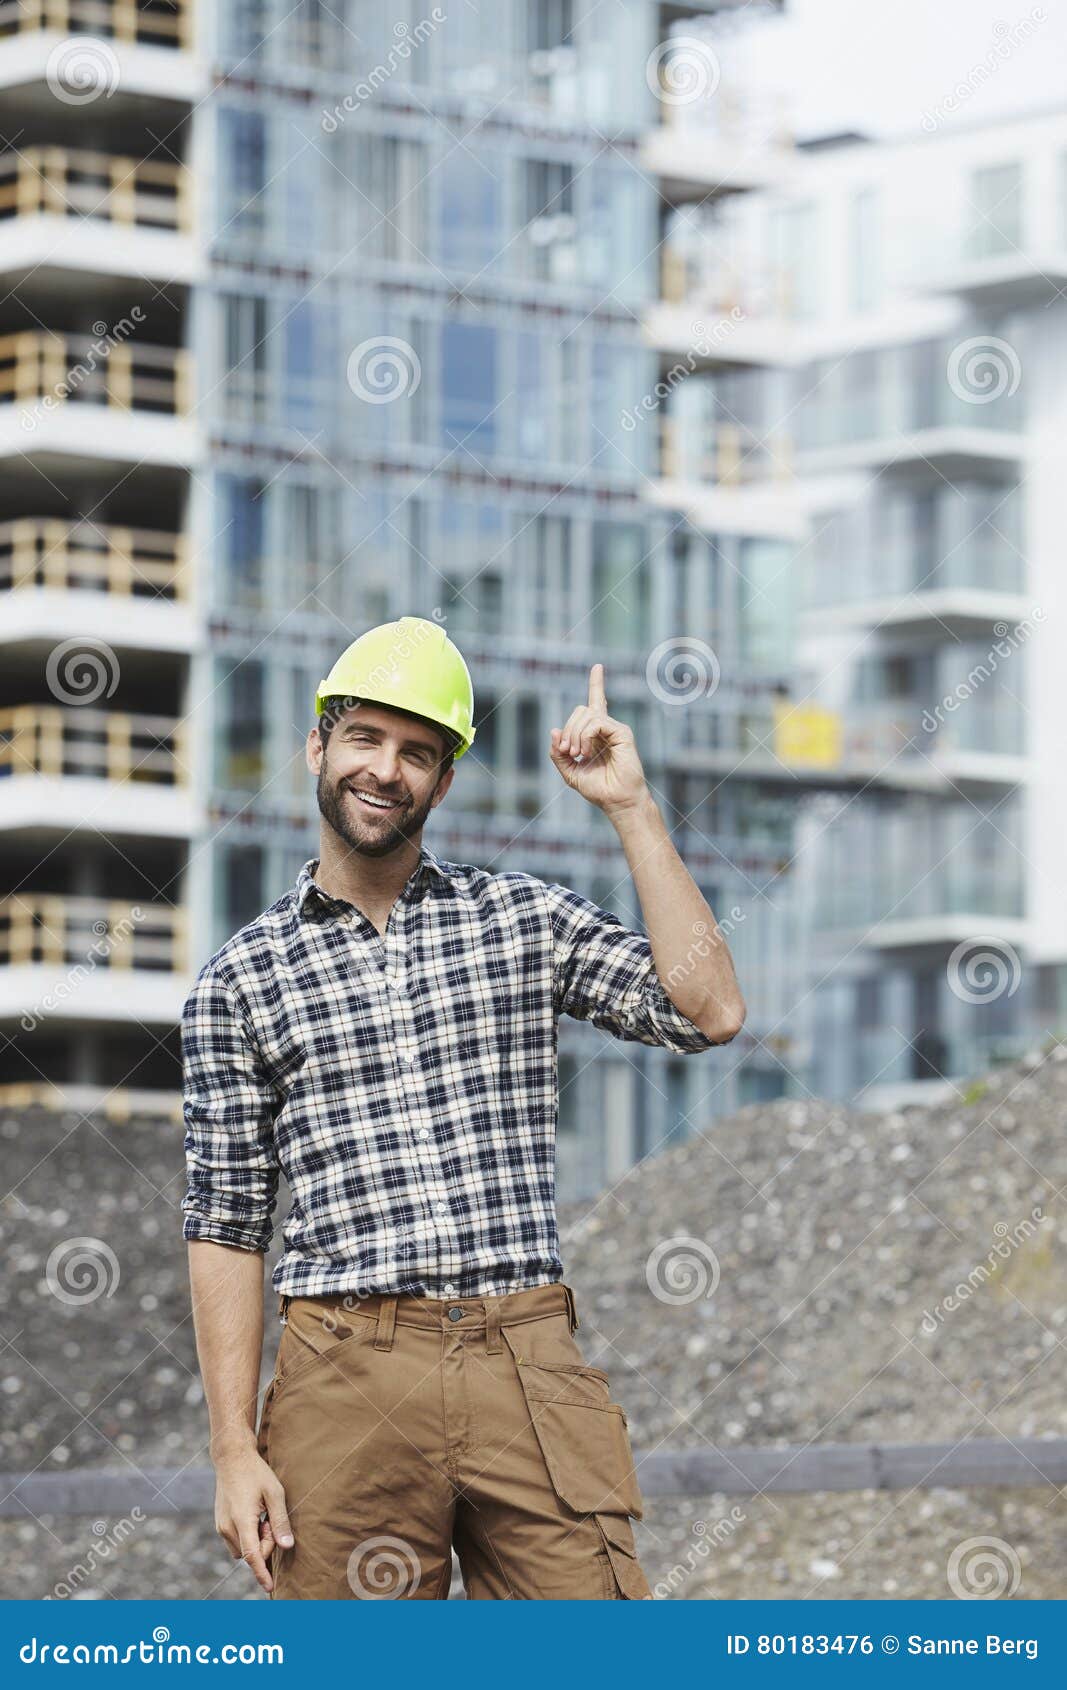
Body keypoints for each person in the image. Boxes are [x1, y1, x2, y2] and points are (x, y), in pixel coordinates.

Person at [182, 615, 746, 1600]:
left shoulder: (521, 920)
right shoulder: (240, 980)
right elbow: (226, 1226)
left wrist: (630, 807)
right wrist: (234, 1448)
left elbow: (708, 1009)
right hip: (342, 1371)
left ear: (442, 783)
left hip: (521, 1360)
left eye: (417, 753)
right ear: (317, 746)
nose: (385, 770)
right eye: (364, 738)